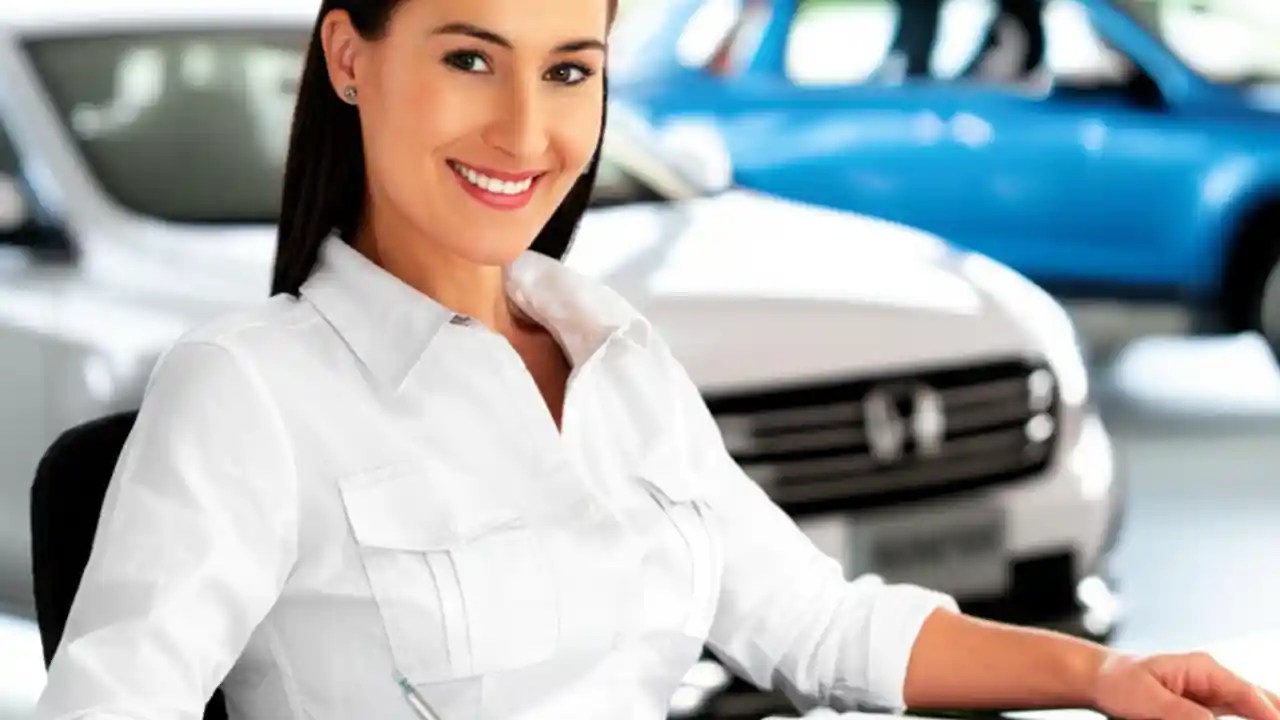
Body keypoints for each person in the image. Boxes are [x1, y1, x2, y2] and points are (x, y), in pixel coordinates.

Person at [32, 0, 1280, 718]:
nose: (526, 129)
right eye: (469, 56)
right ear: (350, 57)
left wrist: (1101, 674)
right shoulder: (250, 391)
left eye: (569, 71)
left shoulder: (615, 357)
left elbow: (816, 622)